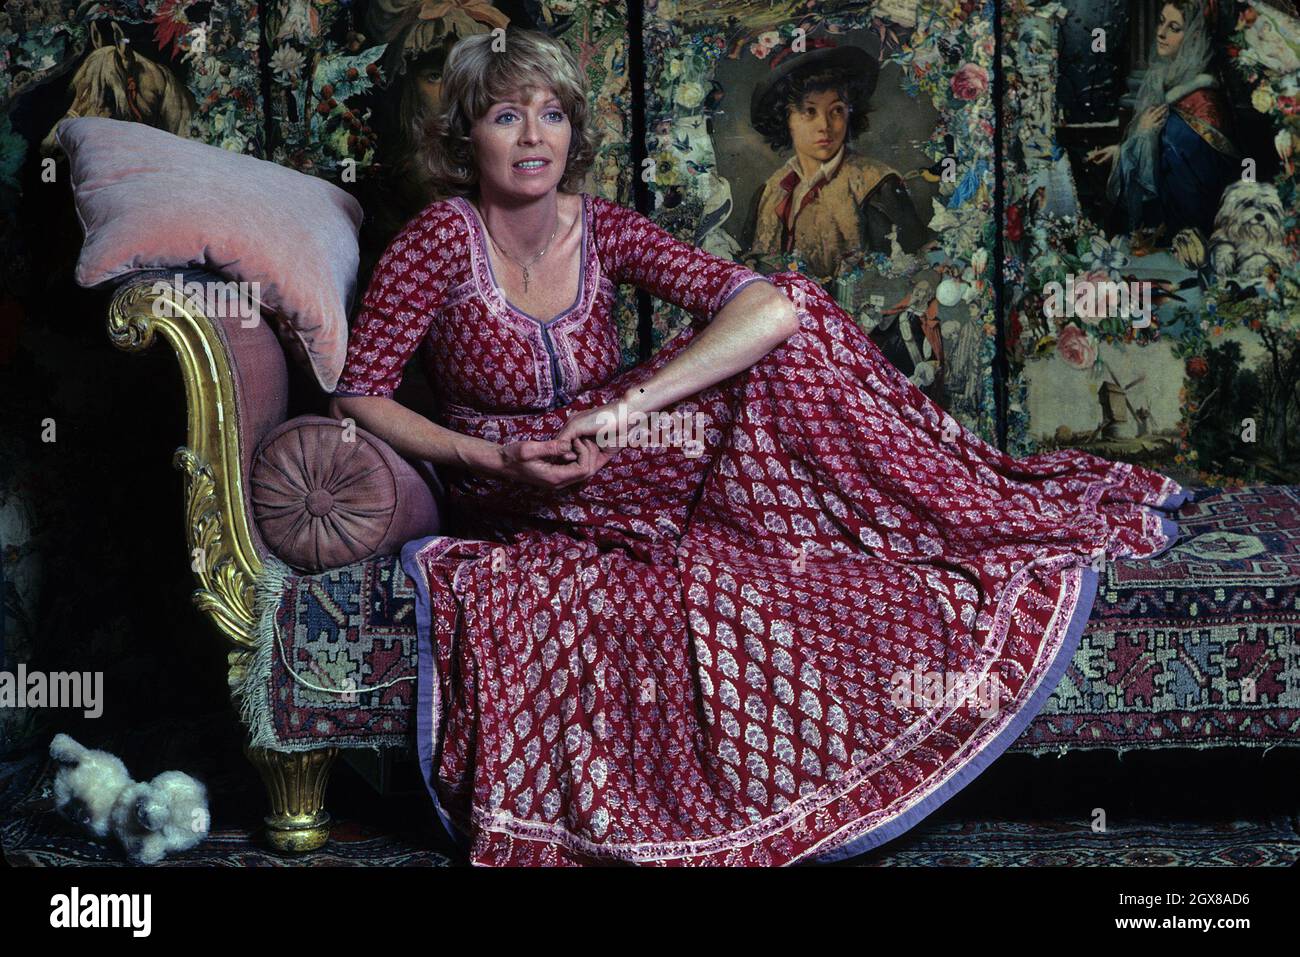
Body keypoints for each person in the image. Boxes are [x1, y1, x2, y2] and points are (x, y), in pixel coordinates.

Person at [330, 29, 1187, 866]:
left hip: (622, 449)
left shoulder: (602, 228)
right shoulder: (440, 239)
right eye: (506, 117)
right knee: (779, 332)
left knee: (792, 313)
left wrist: (631, 405)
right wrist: (490, 460)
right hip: (515, 482)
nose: (532, 138)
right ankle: (902, 508)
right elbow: (360, 391)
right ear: (466, 135)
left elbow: (770, 306)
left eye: (550, 115)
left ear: (573, 133)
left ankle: (935, 509)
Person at [741, 41, 929, 282]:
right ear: (786, 117)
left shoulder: (877, 187)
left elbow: (905, 277)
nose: (825, 126)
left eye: (837, 110)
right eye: (810, 111)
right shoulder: (768, 192)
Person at [1086, 0, 1239, 245]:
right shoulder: (1166, 79)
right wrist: (1122, 150)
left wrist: (1141, 139)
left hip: (1186, 238)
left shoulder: (1203, 102)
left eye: (1174, 28)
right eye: (1161, 22)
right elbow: (1156, 145)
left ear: (1194, 37)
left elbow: (1182, 184)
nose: (1161, 33)